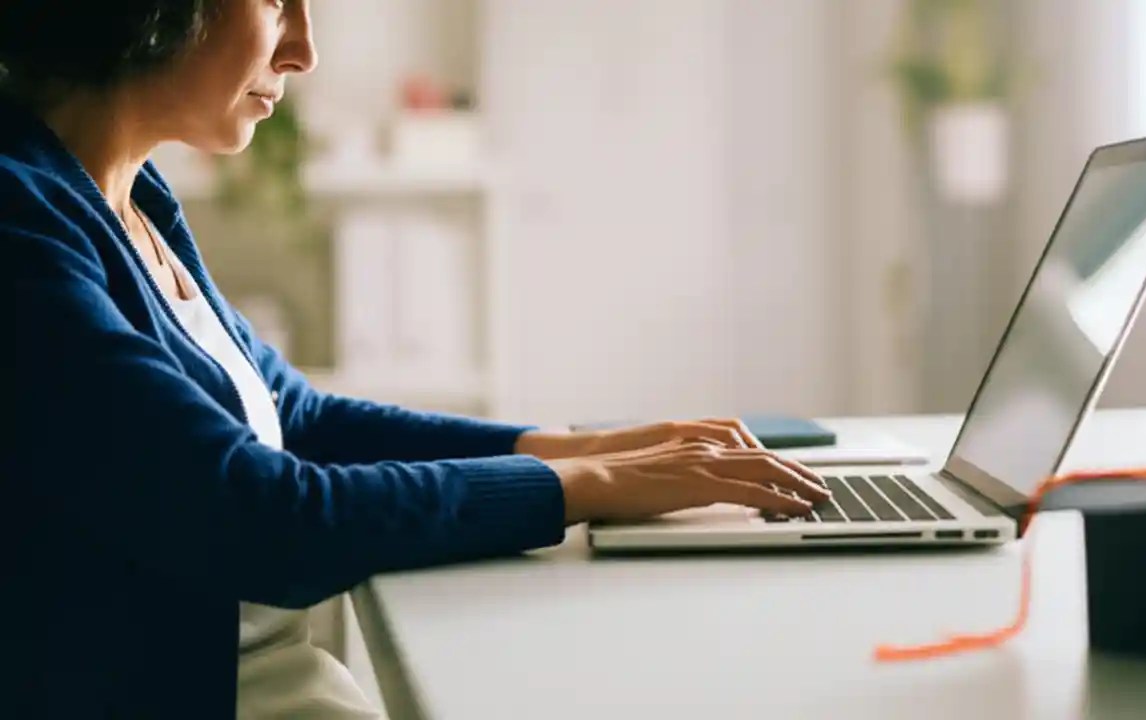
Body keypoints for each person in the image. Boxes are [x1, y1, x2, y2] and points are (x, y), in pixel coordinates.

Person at [1, 1, 830, 718]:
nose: (303, 51)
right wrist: (592, 486)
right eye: (276, 2)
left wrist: (586, 447)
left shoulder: (126, 198)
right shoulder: (21, 223)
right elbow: (260, 517)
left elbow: (299, 420)